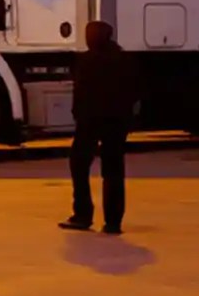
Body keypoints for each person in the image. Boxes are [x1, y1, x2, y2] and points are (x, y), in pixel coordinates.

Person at [60, 21, 141, 234]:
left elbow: (80, 94)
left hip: (90, 122)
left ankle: (83, 214)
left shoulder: (86, 61)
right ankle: (113, 222)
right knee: (114, 170)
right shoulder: (124, 60)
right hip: (117, 122)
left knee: (78, 164)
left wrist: (77, 116)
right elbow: (135, 91)